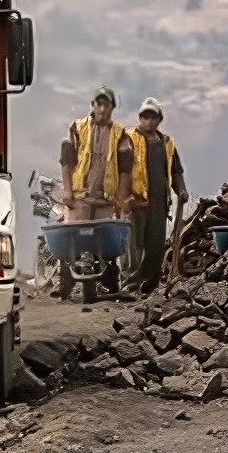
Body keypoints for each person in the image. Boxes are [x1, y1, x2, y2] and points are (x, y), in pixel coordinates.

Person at [57, 86, 133, 298]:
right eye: (98, 104)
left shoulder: (120, 134)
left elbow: (126, 169)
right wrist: (67, 191)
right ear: (93, 106)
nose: (102, 109)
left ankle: (108, 284)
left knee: (105, 248)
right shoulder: (77, 127)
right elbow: (66, 161)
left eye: (106, 105)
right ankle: (66, 285)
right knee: (73, 244)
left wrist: (122, 197)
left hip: (105, 200)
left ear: (111, 108)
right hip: (81, 197)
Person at [119, 97, 188, 295]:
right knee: (133, 247)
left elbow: (176, 171)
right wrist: (123, 198)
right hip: (135, 202)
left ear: (159, 120)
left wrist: (181, 190)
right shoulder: (128, 139)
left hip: (158, 203)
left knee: (155, 246)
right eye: (145, 117)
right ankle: (130, 286)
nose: (149, 121)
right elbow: (118, 171)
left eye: (153, 117)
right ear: (140, 118)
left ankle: (150, 287)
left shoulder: (166, 143)